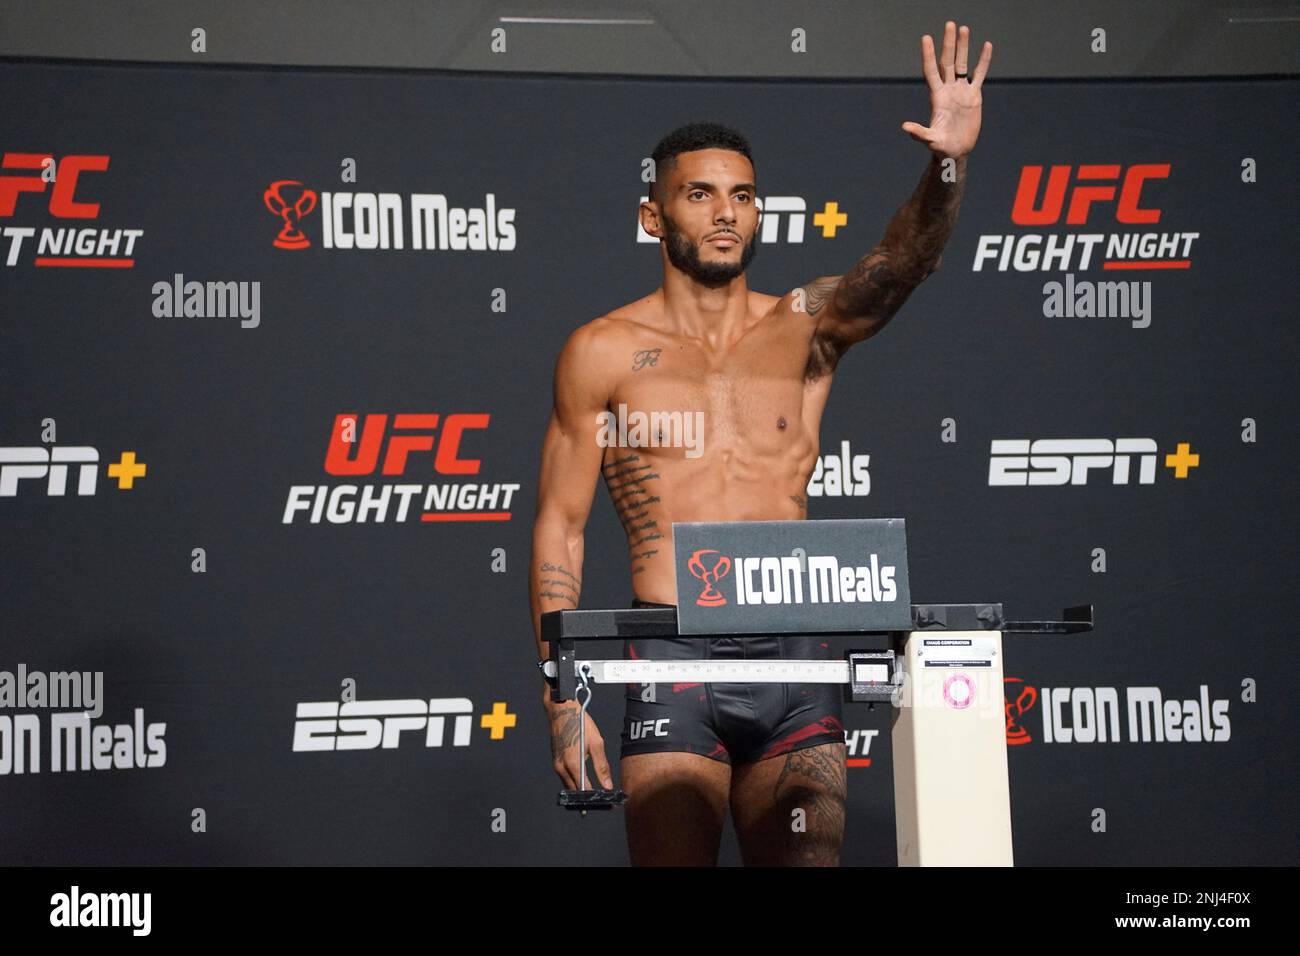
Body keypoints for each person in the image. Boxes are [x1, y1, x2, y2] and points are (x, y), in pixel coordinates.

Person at [530, 21, 992, 865]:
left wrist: (947, 163)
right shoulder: (597, 351)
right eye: (700, 194)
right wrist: (563, 699)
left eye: (742, 195)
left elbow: (902, 262)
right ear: (652, 214)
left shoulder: (803, 326)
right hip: (669, 653)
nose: (726, 213)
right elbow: (560, 526)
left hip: (797, 654)